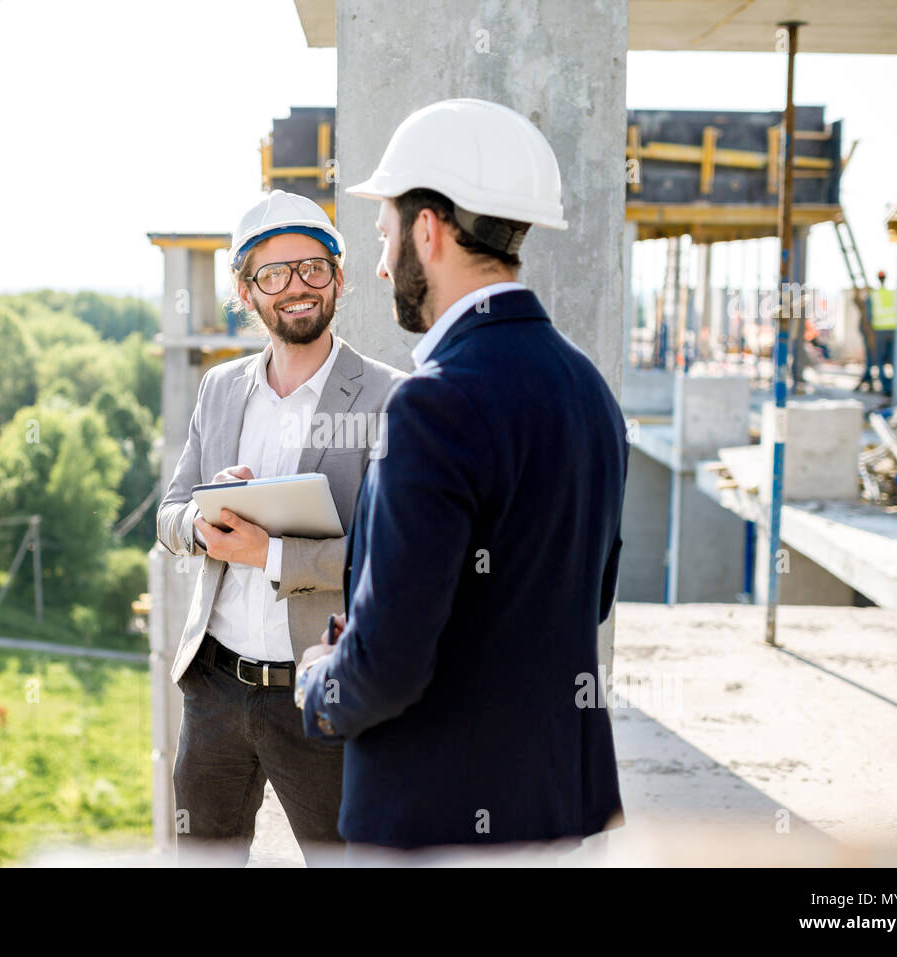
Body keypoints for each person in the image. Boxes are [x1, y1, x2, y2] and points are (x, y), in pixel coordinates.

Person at [293, 99, 628, 857]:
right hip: (555, 811)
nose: (382, 265)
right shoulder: (589, 390)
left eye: (383, 235)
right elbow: (588, 597)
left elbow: (387, 669)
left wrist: (319, 680)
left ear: (428, 230)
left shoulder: (433, 405)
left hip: (436, 824)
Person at [156, 190, 404, 865]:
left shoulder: (390, 397)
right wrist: (205, 522)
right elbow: (169, 517)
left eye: (313, 268)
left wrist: (270, 553)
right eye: (274, 274)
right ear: (246, 292)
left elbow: (394, 560)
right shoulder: (220, 389)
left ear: (339, 279)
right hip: (215, 687)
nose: (297, 286)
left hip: (322, 689)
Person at [870, 269, 897, 396]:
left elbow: (870, 314)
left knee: (880, 360)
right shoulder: (894, 293)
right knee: (893, 359)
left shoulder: (874, 294)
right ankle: (894, 385)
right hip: (894, 329)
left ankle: (885, 387)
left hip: (880, 329)